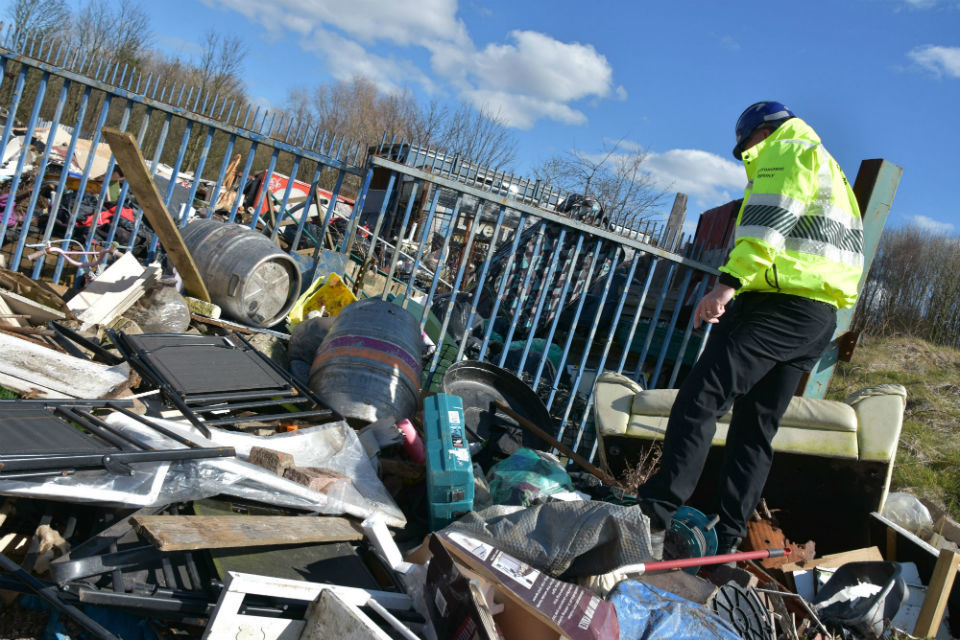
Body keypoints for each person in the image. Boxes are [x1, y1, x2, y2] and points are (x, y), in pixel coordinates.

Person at [635, 101, 864, 558]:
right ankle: (731, 539)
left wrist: (727, 285)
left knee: (699, 401)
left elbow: (767, 223)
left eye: (745, 149)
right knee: (754, 430)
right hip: (818, 316)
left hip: (774, 306)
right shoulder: (830, 170)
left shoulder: (786, 150)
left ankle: (651, 518)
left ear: (760, 132)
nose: (746, 159)